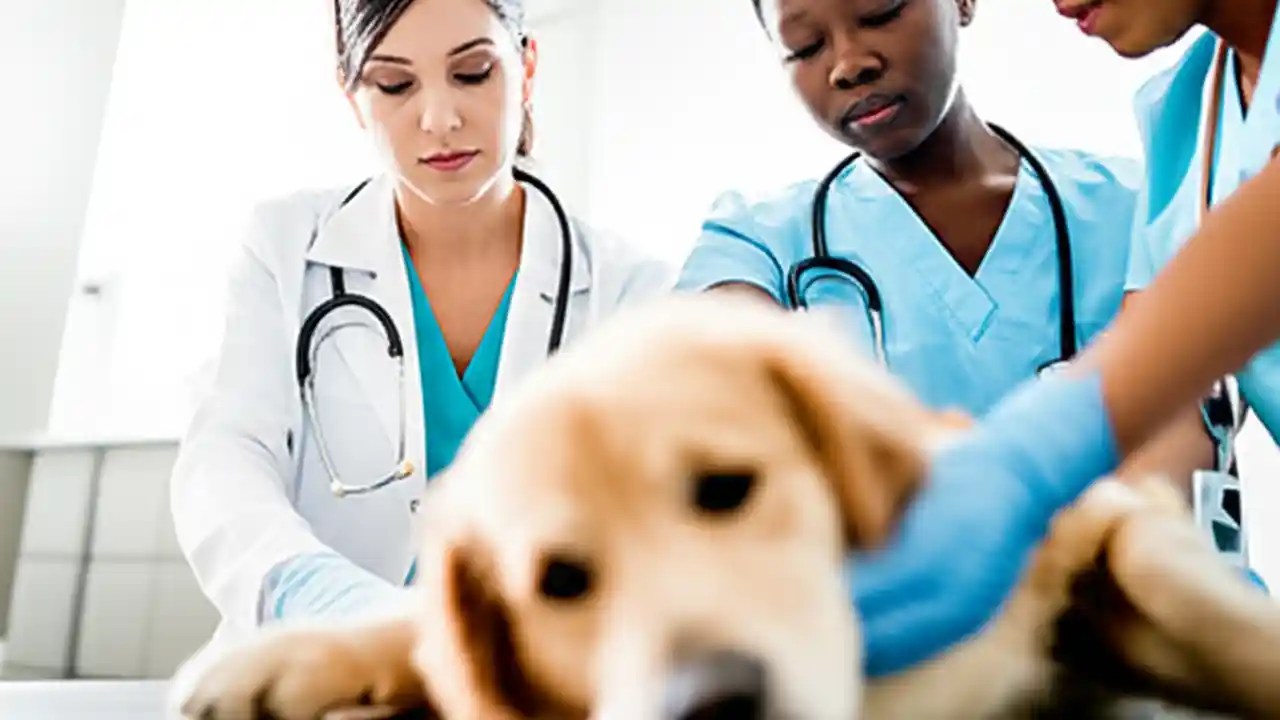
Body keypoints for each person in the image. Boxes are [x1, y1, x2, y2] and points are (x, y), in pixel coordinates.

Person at [169, 0, 673, 650]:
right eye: (396, 84)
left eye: (472, 72)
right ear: (353, 97)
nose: (440, 119)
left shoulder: (627, 289)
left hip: (534, 677)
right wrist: (307, 590)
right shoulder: (284, 248)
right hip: (322, 669)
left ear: (526, 67)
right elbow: (227, 456)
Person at [851, 0, 1280, 686]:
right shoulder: (1185, 112)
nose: (1061, 3)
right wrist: (1081, 558)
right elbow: (1166, 394)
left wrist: (1025, 462)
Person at [673, 0, 1218, 486]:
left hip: (1130, 586)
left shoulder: (1137, 206)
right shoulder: (756, 241)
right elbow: (704, 379)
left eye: (881, 14)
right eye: (805, 47)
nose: (848, 64)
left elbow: (1185, 439)